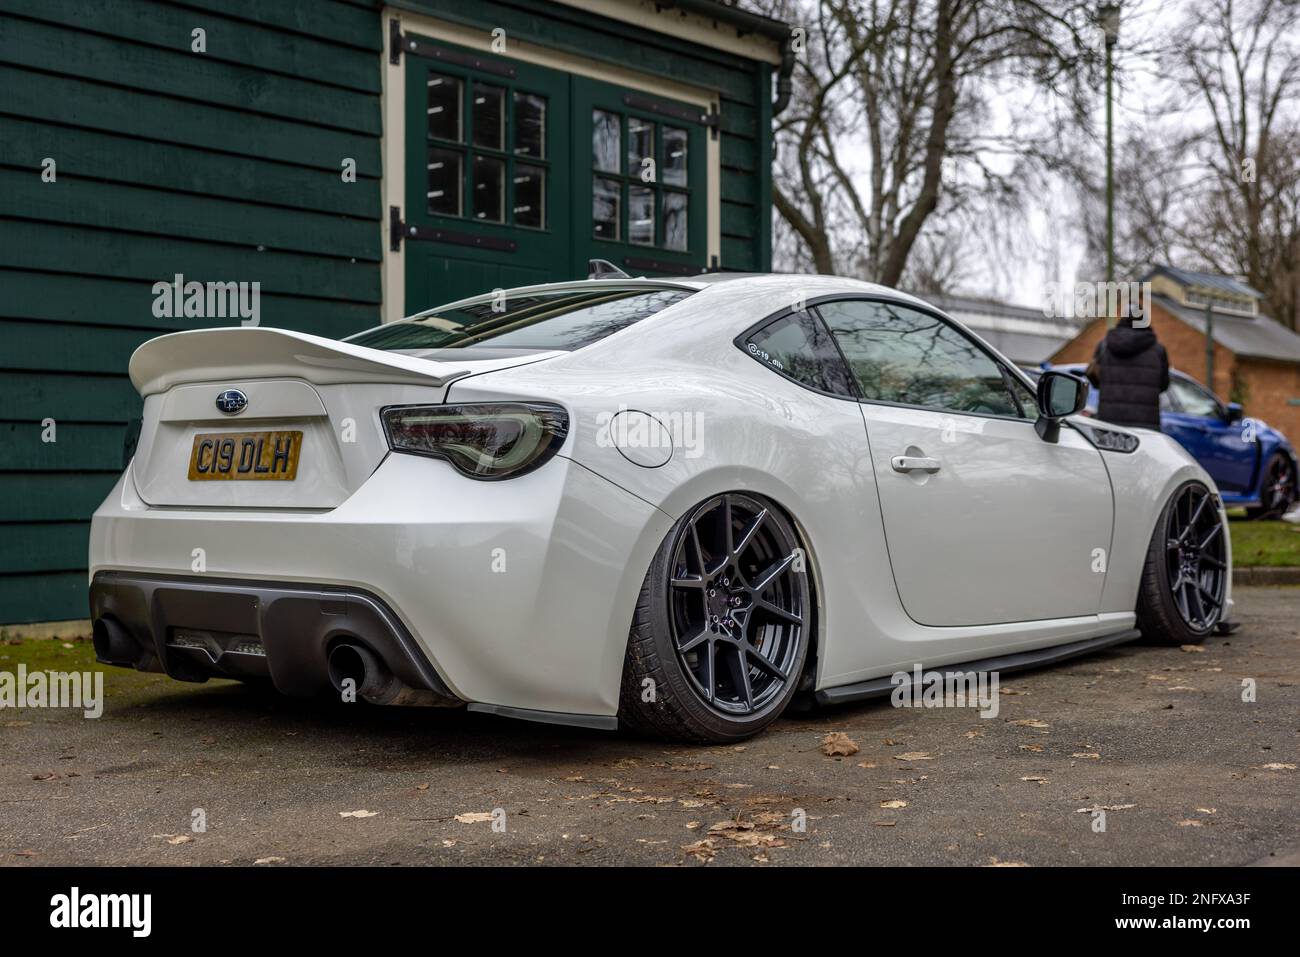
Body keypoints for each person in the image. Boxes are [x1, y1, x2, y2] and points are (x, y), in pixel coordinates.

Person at [1085, 305, 1170, 430]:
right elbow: (1163, 385)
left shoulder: (1104, 345)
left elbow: (1094, 379)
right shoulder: (1158, 350)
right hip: (1145, 423)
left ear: (1123, 319)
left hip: (1109, 421)